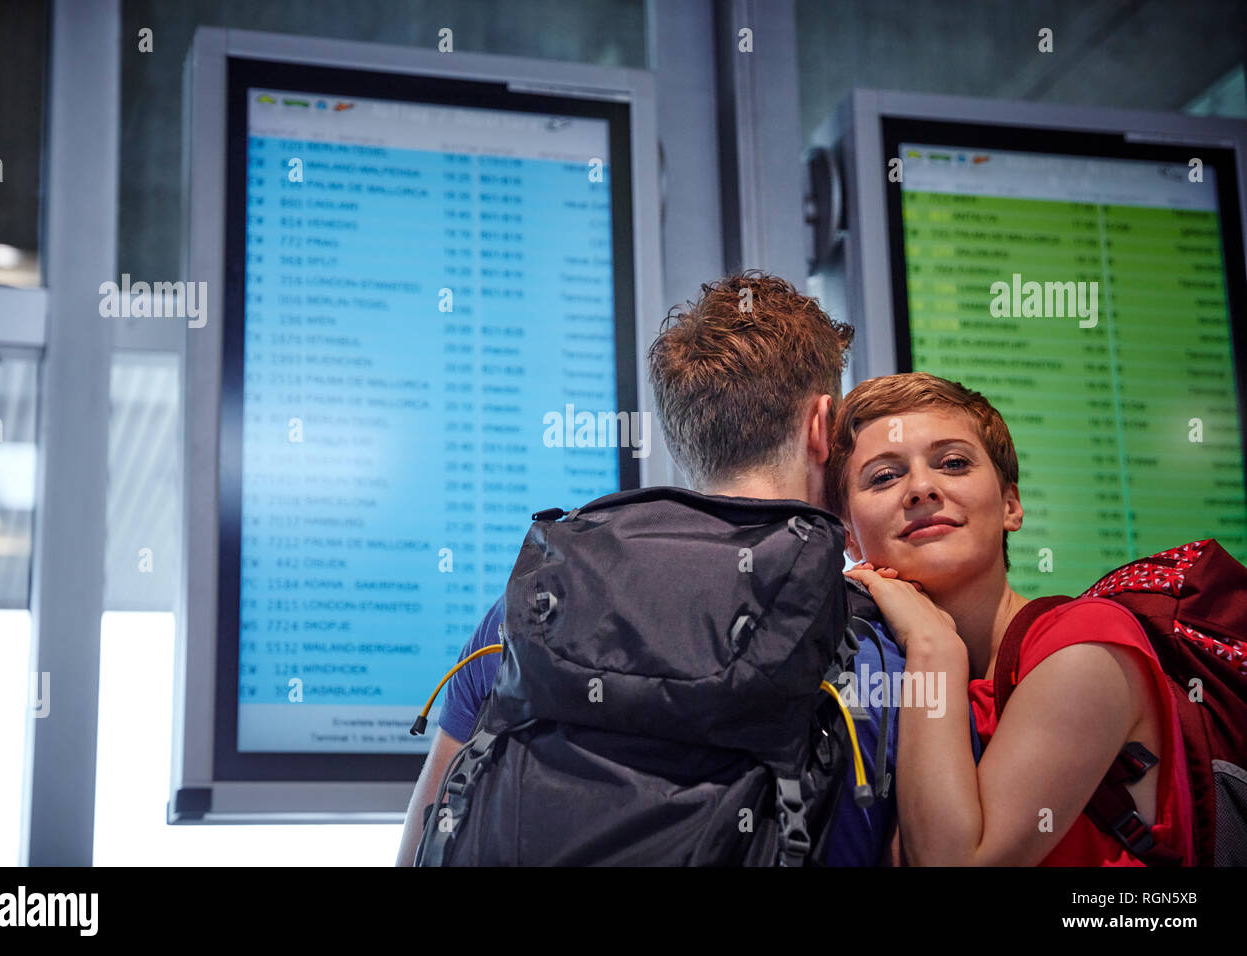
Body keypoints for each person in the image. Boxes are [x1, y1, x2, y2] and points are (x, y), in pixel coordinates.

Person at [396, 272, 969, 866]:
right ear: (822, 426)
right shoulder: (881, 644)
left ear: (680, 438)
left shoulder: (527, 613)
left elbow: (423, 845)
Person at [829, 371, 1195, 865]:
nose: (920, 488)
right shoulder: (882, 676)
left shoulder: (1086, 645)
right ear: (850, 538)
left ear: (1010, 505)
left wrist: (933, 645)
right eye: (885, 476)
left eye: (953, 462)